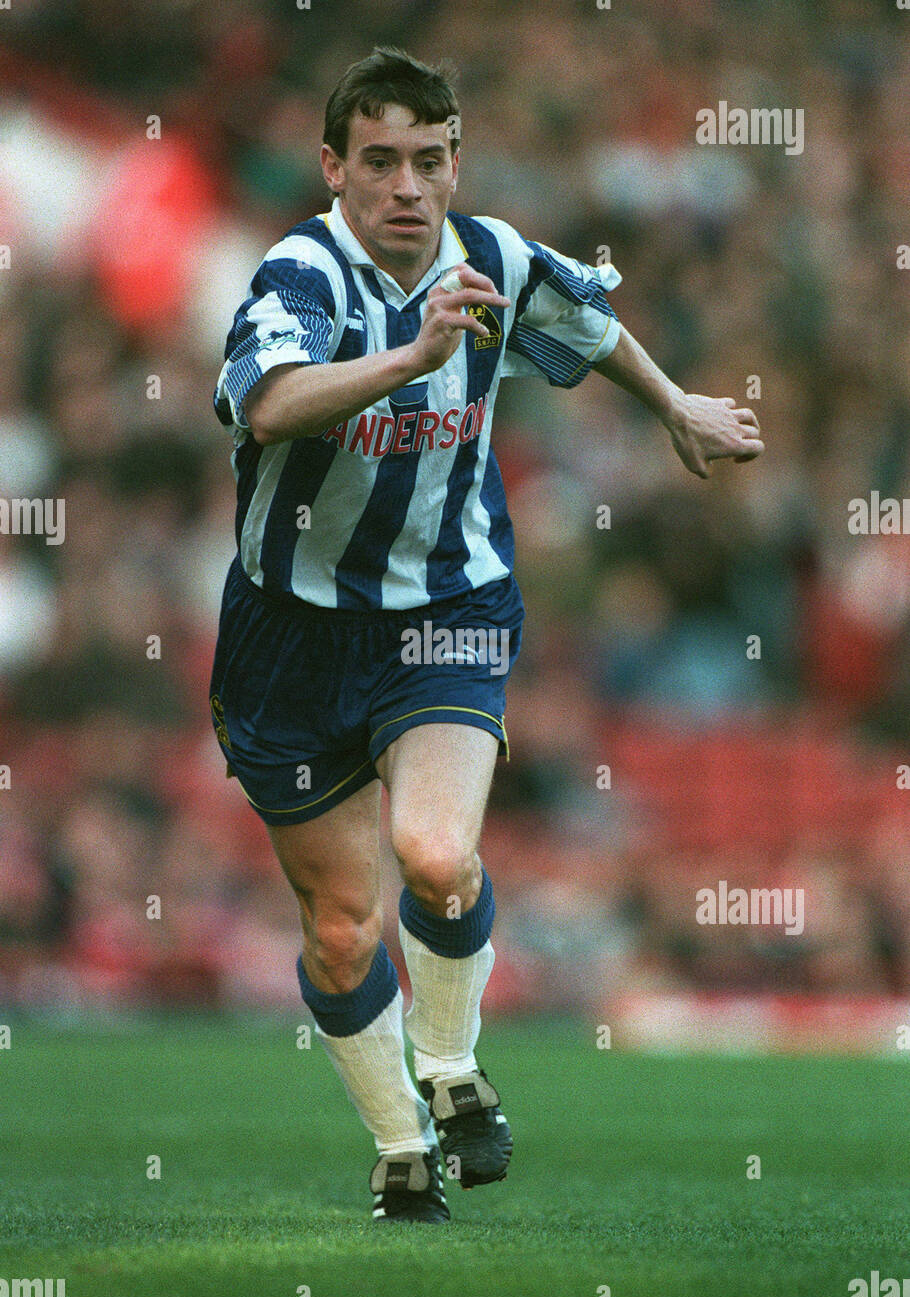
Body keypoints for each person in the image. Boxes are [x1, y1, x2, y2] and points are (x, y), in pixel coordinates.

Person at [210, 46, 764, 1223]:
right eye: (379, 161)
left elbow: (587, 321)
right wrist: (410, 359)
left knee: (437, 856)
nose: (407, 185)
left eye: (428, 157)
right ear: (333, 168)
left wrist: (674, 405)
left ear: (455, 159)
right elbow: (265, 402)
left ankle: (453, 1070)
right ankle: (401, 1145)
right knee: (344, 926)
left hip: (449, 607)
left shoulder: (496, 255)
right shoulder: (300, 273)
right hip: (289, 639)